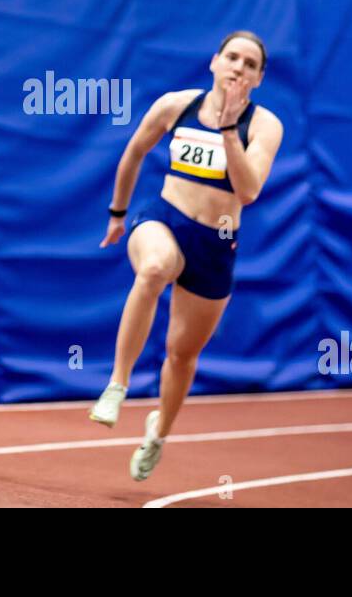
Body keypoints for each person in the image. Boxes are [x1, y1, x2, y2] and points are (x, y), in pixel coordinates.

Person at [91, 31, 284, 481]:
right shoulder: (176, 105)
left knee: (181, 355)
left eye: (249, 64)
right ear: (214, 62)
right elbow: (134, 151)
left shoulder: (264, 125)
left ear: (258, 78)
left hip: (215, 244)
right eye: (232, 57)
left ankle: (158, 433)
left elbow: (249, 190)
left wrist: (228, 132)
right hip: (166, 218)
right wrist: (118, 214)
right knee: (154, 268)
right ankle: (117, 384)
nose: (238, 67)